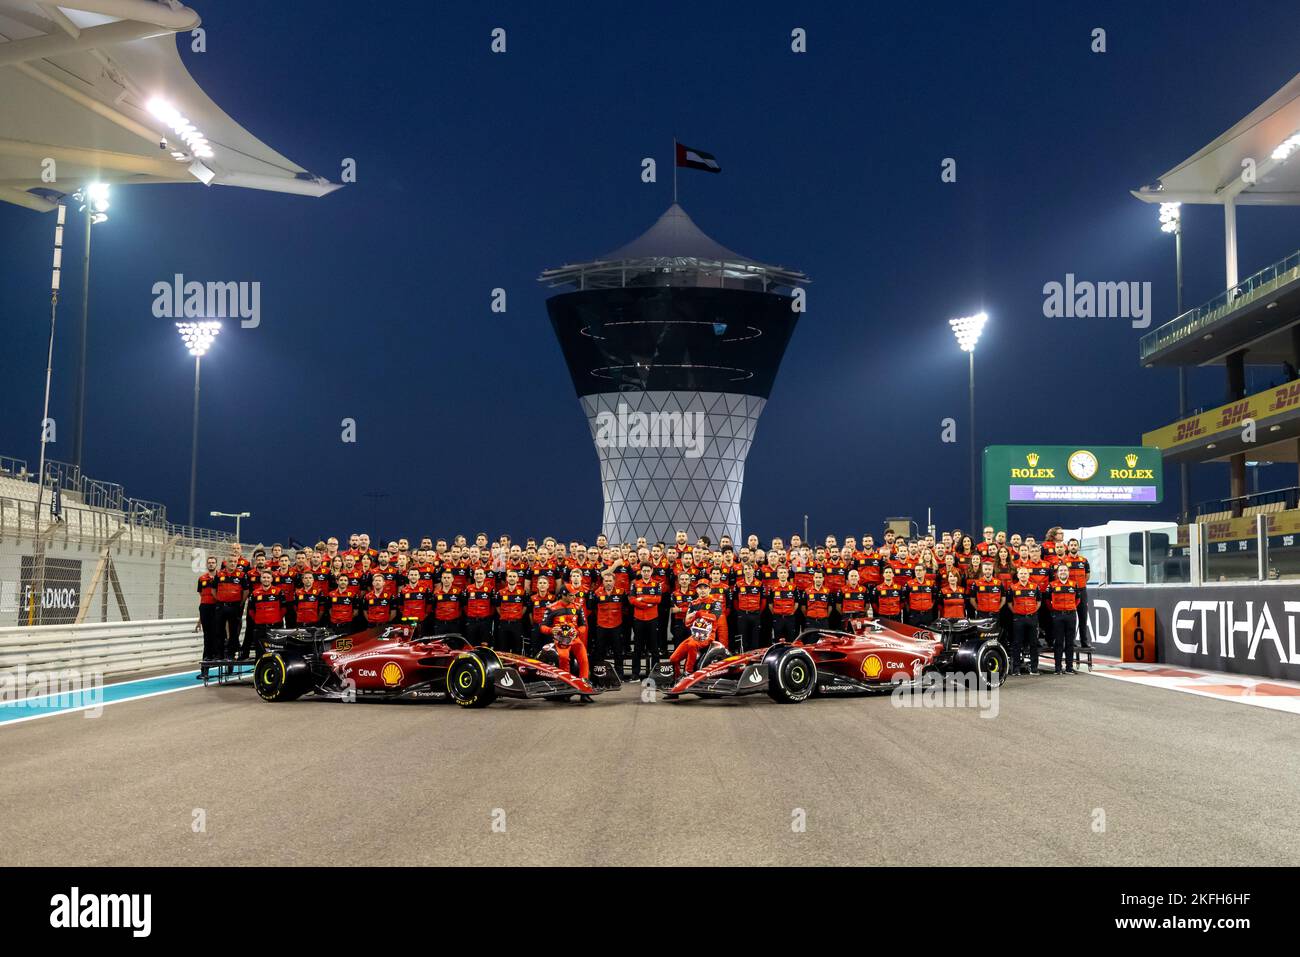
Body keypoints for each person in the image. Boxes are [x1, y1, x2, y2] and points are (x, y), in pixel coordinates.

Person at [629, 563, 664, 677]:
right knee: (637, 647)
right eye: (644, 571)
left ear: (652, 571)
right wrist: (647, 604)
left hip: (652, 619)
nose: (646, 573)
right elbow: (632, 600)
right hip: (638, 619)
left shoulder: (657, 584)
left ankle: (656, 672)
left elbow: (658, 599)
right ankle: (635, 673)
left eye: (648, 570)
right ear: (641, 571)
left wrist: (643, 598)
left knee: (654, 647)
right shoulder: (635, 584)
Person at [1046, 564, 1081, 674]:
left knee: (1070, 642)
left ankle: (1069, 667)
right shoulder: (1051, 585)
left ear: (1068, 572)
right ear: (1057, 573)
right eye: (1060, 570)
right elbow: (1047, 601)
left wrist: (1071, 608)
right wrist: (1055, 609)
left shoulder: (1074, 584)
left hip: (1071, 615)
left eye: (1065, 570)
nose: (1063, 572)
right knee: (1059, 642)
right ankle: (1058, 667)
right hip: (1058, 616)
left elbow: (1078, 599)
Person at [1007, 565, 1042, 676]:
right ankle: (1016, 669)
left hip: (1032, 618)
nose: (1023, 575)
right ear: (1017, 575)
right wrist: (1018, 612)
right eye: (1021, 573)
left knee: (1033, 643)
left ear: (1028, 575)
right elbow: (1009, 604)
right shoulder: (1012, 588)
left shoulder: (1035, 587)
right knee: (1017, 643)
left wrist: (1031, 612)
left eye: (1025, 573)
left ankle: (1034, 668)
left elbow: (1039, 602)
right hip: (1018, 618)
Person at [591, 572, 627, 677]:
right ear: (603, 581)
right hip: (601, 626)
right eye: (606, 581)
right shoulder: (597, 593)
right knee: (600, 651)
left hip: (617, 626)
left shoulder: (621, 592)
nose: (608, 583)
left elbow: (626, 608)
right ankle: (600, 674)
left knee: (618, 651)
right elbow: (593, 609)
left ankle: (619, 675)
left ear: (614, 581)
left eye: (610, 581)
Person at [245, 570, 285, 660]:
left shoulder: (279, 592)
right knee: (259, 653)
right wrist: (259, 620)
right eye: (264, 577)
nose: (266, 579)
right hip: (260, 628)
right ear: (260, 579)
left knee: (277, 652)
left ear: (271, 579)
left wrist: (276, 619)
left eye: (268, 577)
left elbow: (283, 609)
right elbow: (251, 611)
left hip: (275, 627)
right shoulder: (255, 593)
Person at [493, 568, 528, 654]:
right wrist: (504, 616)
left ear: (517, 579)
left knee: (517, 649)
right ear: (507, 578)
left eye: (514, 576)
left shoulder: (523, 593)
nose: (512, 578)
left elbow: (525, 607)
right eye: (510, 576)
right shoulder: (500, 593)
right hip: (504, 624)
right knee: (503, 648)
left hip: (517, 624)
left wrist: (517, 615)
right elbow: (497, 607)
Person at [731, 563, 765, 650]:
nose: (748, 571)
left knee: (755, 638)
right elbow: (735, 600)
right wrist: (739, 612)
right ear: (743, 571)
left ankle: (755, 657)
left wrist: (758, 612)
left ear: (753, 571)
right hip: (743, 614)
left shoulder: (759, 584)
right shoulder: (738, 584)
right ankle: (743, 657)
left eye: (750, 569)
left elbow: (763, 600)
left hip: (755, 614)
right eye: (745, 569)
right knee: (743, 637)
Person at [196, 556, 220, 678]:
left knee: (218, 634)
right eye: (209, 563)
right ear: (207, 565)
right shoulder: (202, 578)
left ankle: (218, 658)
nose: (211, 564)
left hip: (217, 607)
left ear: (217, 564)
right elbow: (201, 594)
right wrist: (199, 619)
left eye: (213, 562)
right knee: (207, 637)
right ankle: (205, 669)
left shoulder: (221, 577)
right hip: (205, 607)